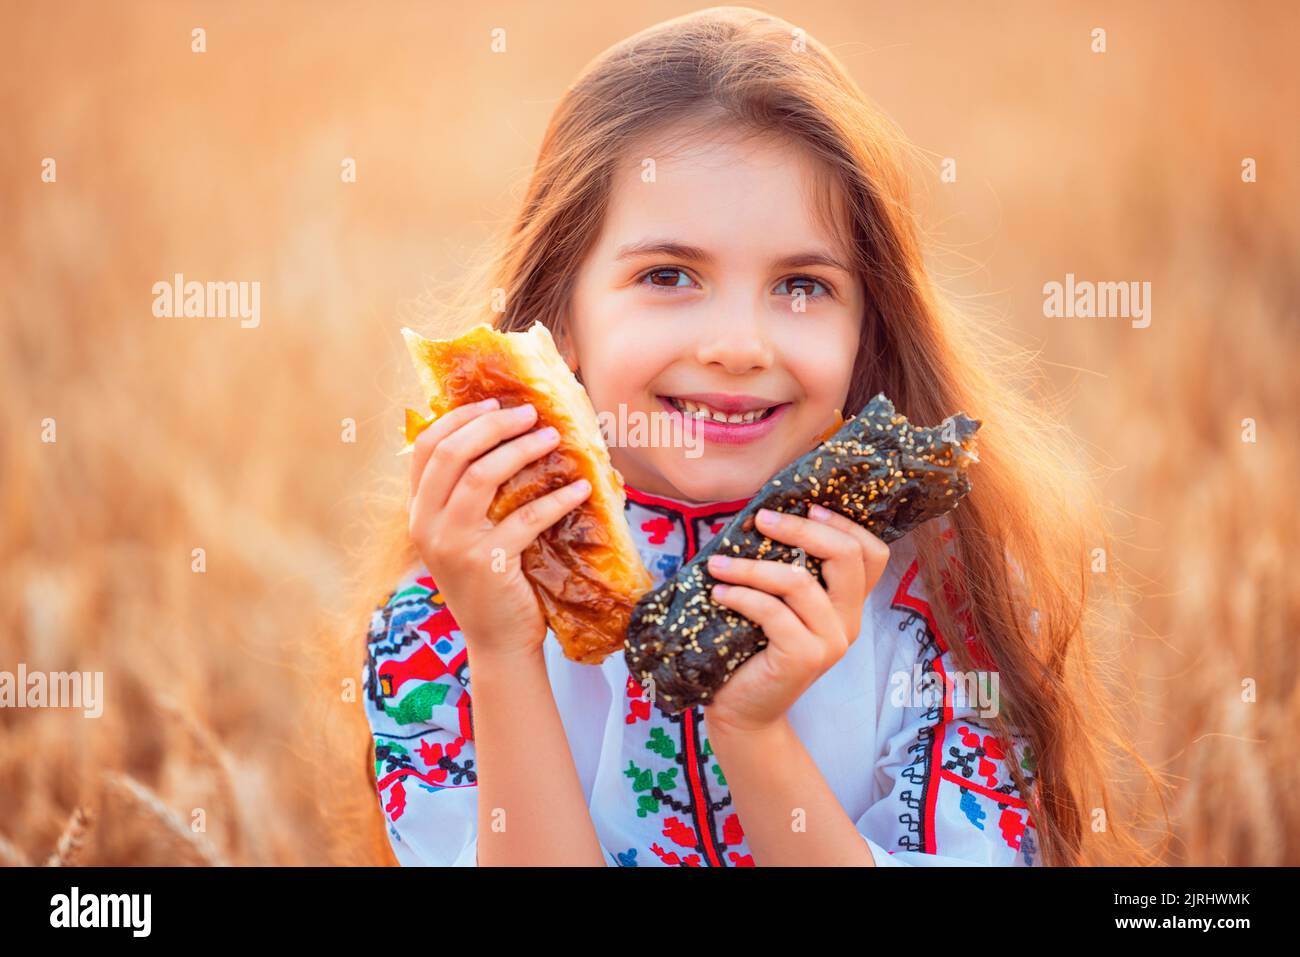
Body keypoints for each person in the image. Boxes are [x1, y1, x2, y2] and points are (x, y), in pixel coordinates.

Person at [360, 6, 1153, 866]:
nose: (738, 345)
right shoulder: (445, 627)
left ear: (867, 327)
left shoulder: (948, 610)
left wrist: (754, 731)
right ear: (560, 316)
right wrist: (503, 653)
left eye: (803, 285)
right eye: (667, 275)